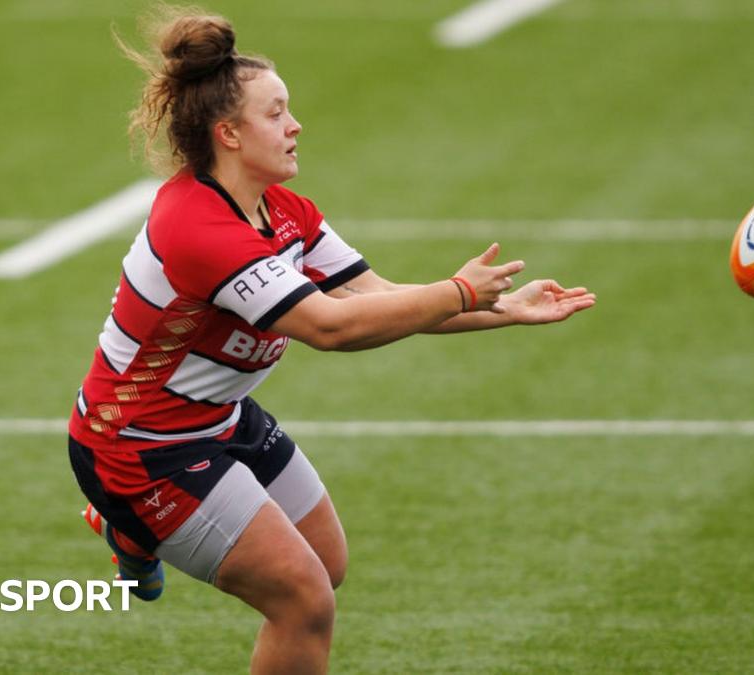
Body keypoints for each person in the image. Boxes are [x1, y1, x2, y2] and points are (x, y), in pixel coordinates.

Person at [67, 7, 596, 673]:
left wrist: (504, 310)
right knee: (302, 599)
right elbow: (330, 328)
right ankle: (130, 517)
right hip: (140, 446)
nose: (295, 126)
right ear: (228, 133)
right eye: (276, 113)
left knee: (326, 563)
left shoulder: (286, 211)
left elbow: (373, 300)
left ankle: (128, 530)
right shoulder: (198, 229)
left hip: (219, 419)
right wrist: (460, 292)